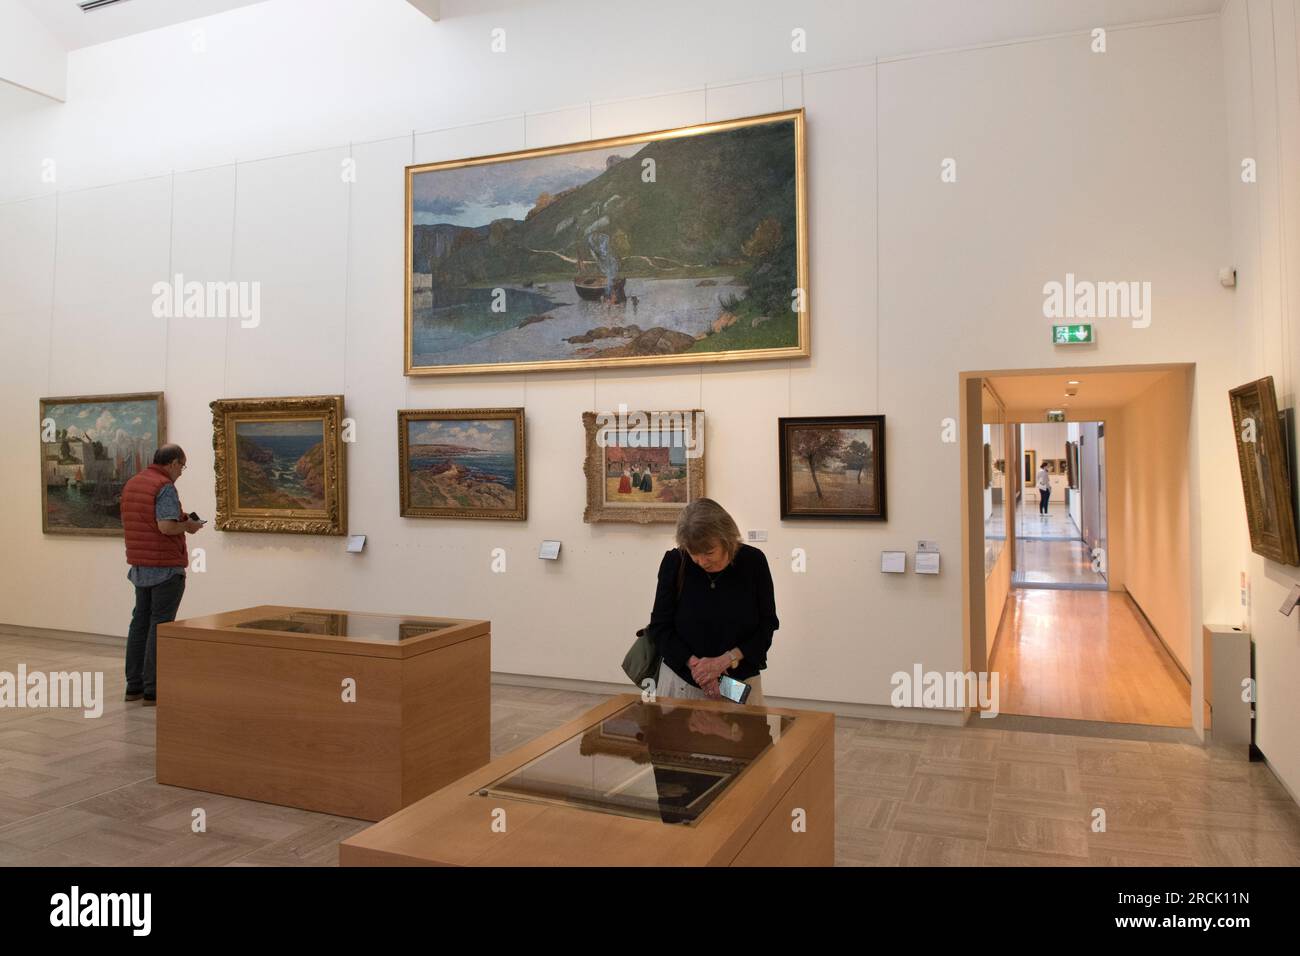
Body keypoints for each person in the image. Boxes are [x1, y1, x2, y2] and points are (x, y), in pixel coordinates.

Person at [647, 498, 778, 705]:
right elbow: (660, 628)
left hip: (738, 685)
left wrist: (724, 661)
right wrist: (698, 669)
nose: (701, 561)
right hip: (682, 684)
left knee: (747, 737)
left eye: (709, 552)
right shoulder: (675, 563)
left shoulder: (753, 562)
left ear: (728, 539)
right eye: (693, 553)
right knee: (676, 738)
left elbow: (767, 626)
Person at [120, 444, 204, 705]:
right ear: (173, 463)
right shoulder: (164, 486)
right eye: (182, 467)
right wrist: (189, 525)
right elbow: (166, 527)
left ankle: (133, 686)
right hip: (165, 567)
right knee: (160, 625)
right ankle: (153, 689)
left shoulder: (133, 483)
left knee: (140, 623)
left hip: (140, 565)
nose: (181, 472)